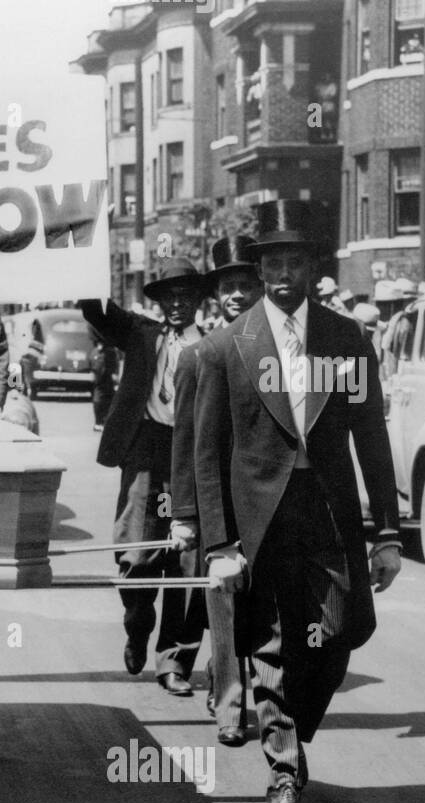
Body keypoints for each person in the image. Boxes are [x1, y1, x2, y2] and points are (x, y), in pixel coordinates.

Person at [193, 199, 401, 803]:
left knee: (341, 634)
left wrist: (388, 532)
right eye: (272, 263)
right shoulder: (225, 348)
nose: (283, 274)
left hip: (327, 512)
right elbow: (207, 456)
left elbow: (371, 436)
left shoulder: (347, 339)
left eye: (295, 261)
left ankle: (292, 732)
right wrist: (218, 545)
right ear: (260, 272)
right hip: (262, 522)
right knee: (276, 642)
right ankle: (284, 768)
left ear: (313, 267)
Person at [81, 257, 206, 694]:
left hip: (189, 459)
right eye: (169, 296)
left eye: (185, 295)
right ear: (159, 302)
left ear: (197, 300)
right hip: (145, 453)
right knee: (135, 554)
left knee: (187, 563)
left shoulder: (212, 346)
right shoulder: (141, 334)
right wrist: (83, 261)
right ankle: (138, 625)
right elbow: (98, 312)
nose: (177, 303)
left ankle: (174, 661)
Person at [170, 236, 263, 747]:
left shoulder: (283, 351)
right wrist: (185, 514)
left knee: (260, 607)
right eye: (228, 286)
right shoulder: (198, 356)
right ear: (216, 295)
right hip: (218, 503)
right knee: (224, 601)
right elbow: (185, 443)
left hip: (269, 499)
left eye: (246, 285)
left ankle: (250, 685)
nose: (237, 295)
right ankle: (230, 704)